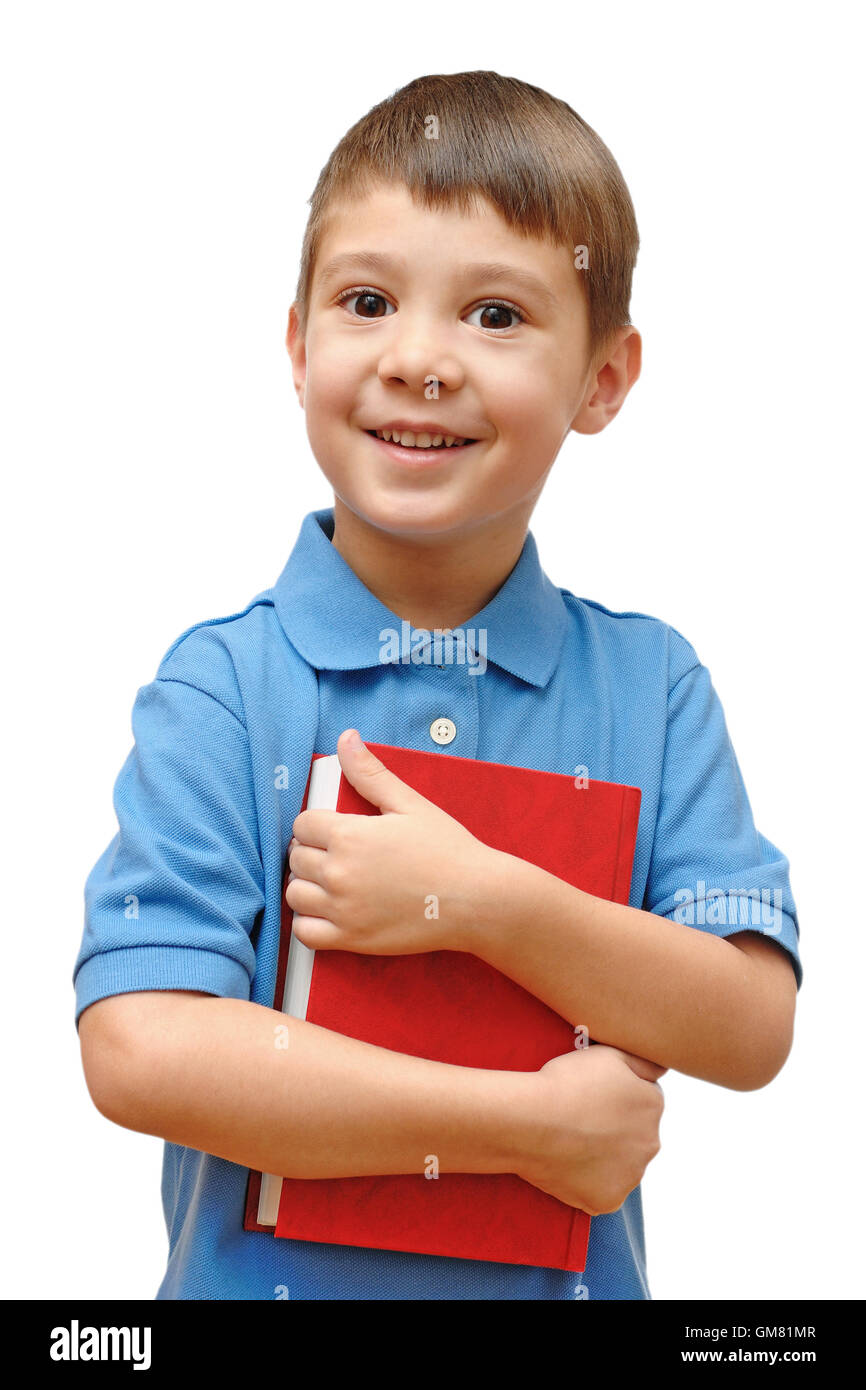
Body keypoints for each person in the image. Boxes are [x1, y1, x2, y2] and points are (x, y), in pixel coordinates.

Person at [74, 70, 801, 1301]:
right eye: (367, 301)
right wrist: (524, 1124)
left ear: (603, 381)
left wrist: (486, 903)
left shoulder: (651, 685)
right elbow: (141, 1047)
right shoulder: (225, 685)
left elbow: (747, 1027)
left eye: (496, 316)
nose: (418, 359)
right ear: (300, 345)